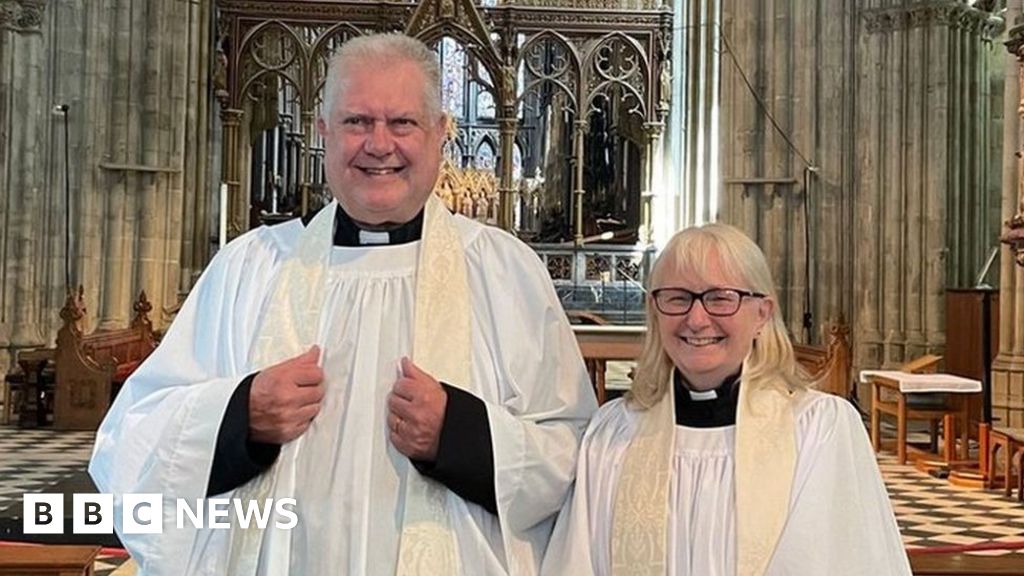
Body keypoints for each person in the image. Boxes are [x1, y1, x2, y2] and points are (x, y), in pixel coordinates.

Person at [90, 33, 597, 576]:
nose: (379, 145)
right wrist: (242, 416)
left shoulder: (504, 272)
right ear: (323, 131)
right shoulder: (251, 267)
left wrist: (462, 434)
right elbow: (130, 445)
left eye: (402, 122)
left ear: (440, 135)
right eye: (357, 122)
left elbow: (570, 457)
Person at [542, 224, 911, 576]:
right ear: (656, 311)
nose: (697, 319)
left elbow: (833, 560)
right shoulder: (612, 434)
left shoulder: (819, 429)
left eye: (720, 298)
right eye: (677, 298)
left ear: (762, 315)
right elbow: (576, 562)